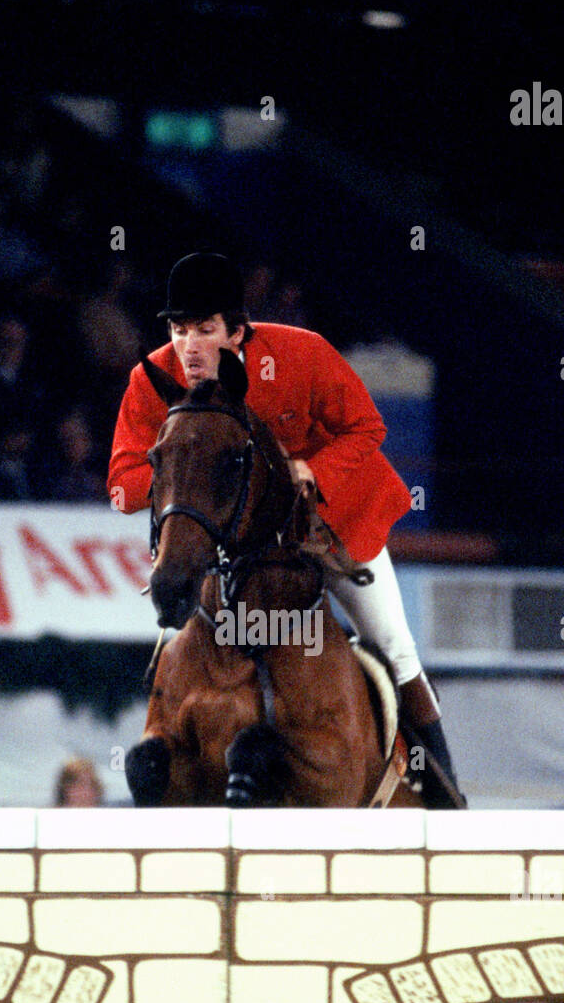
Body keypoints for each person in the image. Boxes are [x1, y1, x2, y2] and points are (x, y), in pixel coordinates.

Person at [107, 252, 464, 807]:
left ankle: (445, 796)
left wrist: (311, 470)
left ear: (238, 331)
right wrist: (186, 469)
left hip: (332, 525)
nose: (191, 348)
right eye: (179, 331)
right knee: (175, 641)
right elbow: (123, 483)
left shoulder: (301, 355)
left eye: (205, 330)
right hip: (237, 549)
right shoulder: (153, 379)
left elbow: (367, 428)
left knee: (395, 646)